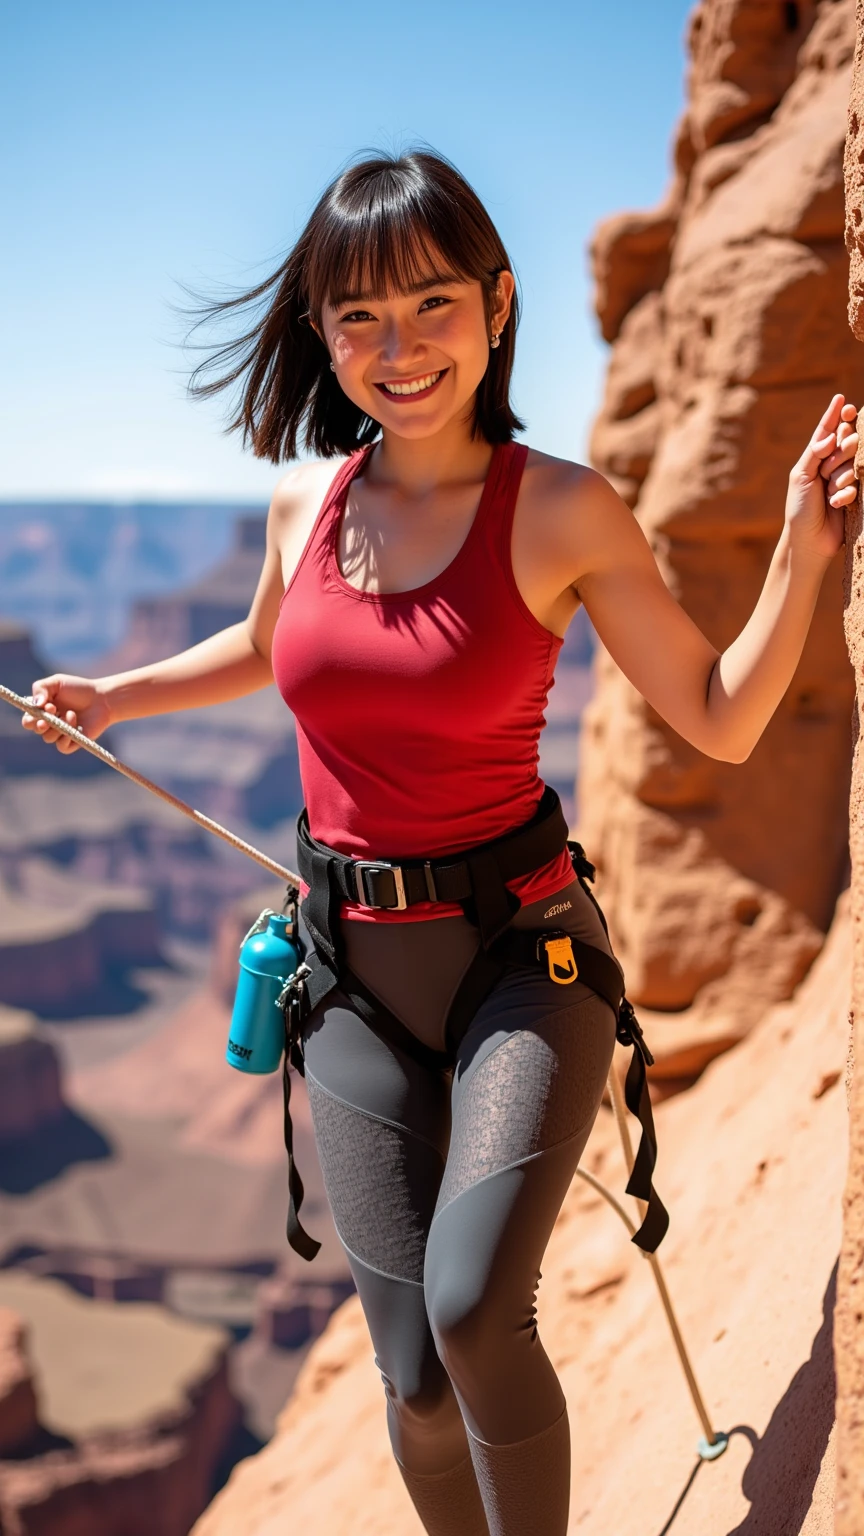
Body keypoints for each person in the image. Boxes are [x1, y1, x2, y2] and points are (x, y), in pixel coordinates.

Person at [23, 149, 859, 1536]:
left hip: (519, 961)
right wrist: (117, 693)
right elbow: (269, 643)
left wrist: (799, 554)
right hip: (350, 975)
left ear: (498, 303)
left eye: (432, 305)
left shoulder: (560, 508)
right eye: (359, 315)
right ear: (320, 328)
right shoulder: (306, 505)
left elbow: (718, 718)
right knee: (413, 1377)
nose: (399, 347)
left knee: (474, 1310)